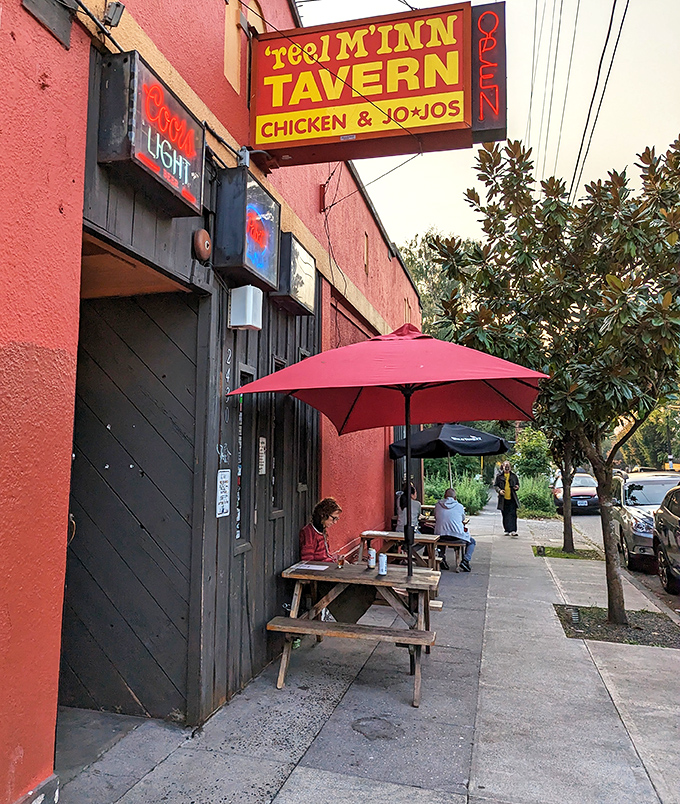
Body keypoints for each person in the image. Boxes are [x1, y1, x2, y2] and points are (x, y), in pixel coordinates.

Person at [434, 488, 475, 571]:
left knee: (442, 532)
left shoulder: (438, 505)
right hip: (456, 536)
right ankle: (465, 560)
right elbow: (462, 518)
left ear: (444, 496)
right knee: (472, 542)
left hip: (440, 536)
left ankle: (441, 557)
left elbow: (435, 517)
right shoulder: (459, 506)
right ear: (455, 497)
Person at [299, 497, 342, 562]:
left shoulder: (323, 531)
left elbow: (327, 555)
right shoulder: (309, 533)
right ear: (323, 515)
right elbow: (308, 561)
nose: (335, 522)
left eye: (337, 519)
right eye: (334, 518)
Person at [494, 460, 520, 536]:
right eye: (505, 465)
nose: (507, 467)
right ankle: (507, 530)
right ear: (503, 467)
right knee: (505, 514)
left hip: (512, 498)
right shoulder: (499, 477)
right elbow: (495, 486)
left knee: (513, 514)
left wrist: (517, 487)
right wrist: (499, 491)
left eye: (508, 465)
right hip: (503, 499)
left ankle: (513, 530)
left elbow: (517, 484)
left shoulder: (513, 476)